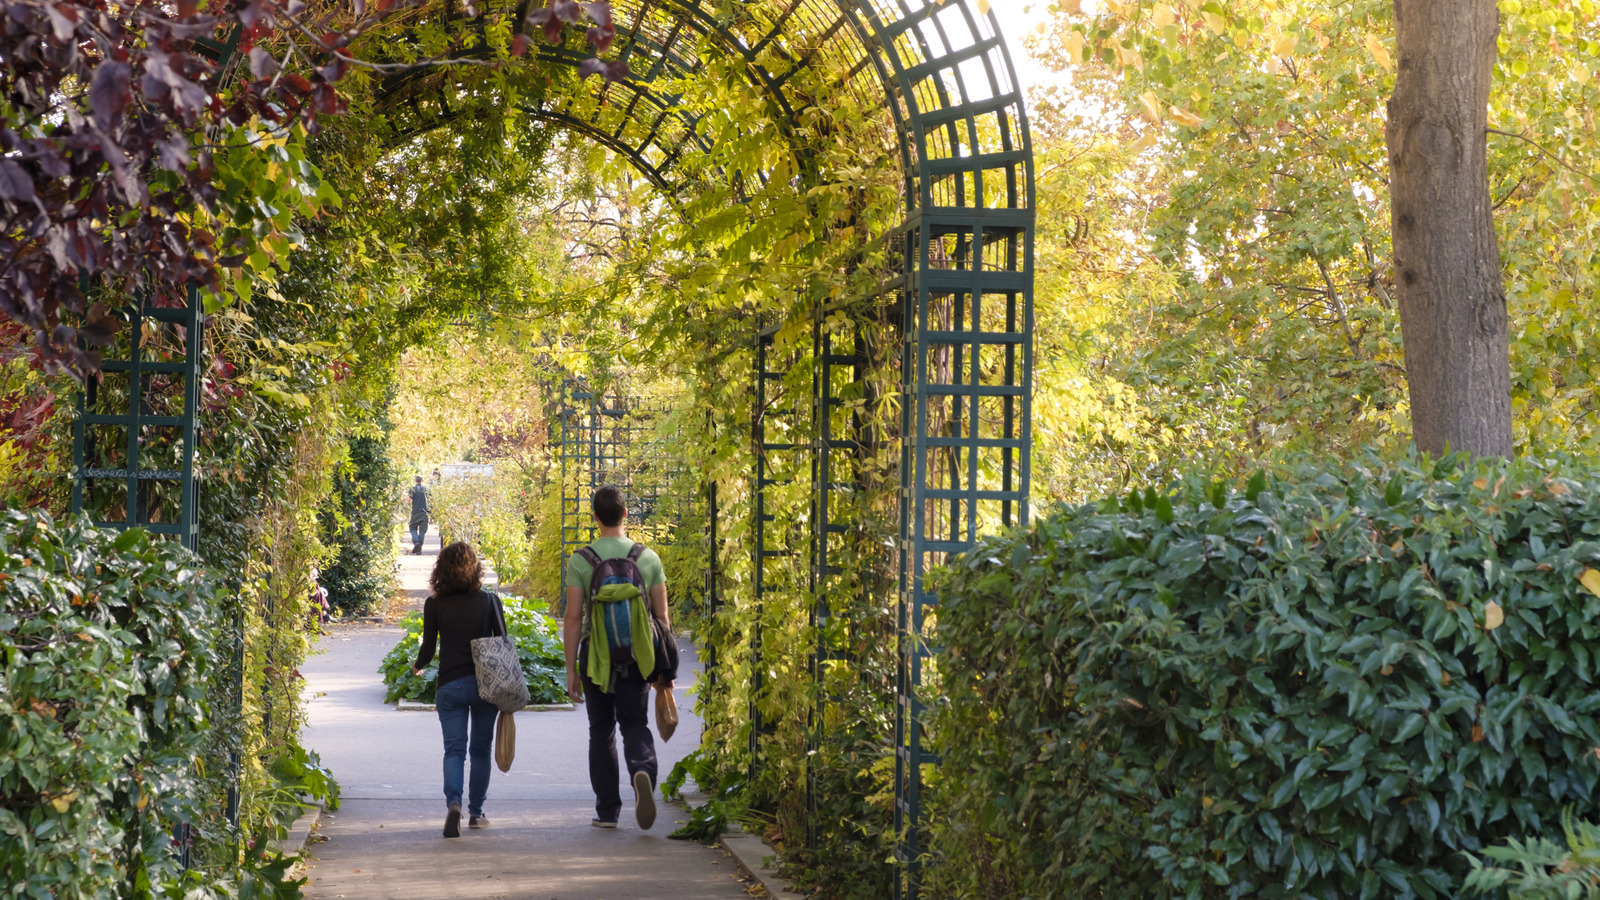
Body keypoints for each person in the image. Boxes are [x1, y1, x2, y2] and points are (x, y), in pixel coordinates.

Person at [563, 485, 675, 830]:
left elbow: (572, 617)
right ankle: (642, 770)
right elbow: (662, 617)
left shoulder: (582, 560)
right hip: (638, 657)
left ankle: (608, 811)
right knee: (635, 725)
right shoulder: (648, 558)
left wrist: (571, 670)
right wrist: (663, 668)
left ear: (595, 518)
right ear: (626, 514)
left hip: (597, 658)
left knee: (601, 731)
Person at [412, 541, 500, 837]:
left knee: (454, 750)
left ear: (442, 570)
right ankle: (476, 813)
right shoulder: (489, 601)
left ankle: (454, 804)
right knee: (480, 750)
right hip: (486, 685)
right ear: (475, 569)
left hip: (450, 684)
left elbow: (428, 646)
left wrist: (417, 666)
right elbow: (502, 641)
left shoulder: (434, 604)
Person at [408, 475, 430, 554]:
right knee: (422, 531)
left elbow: (408, 501)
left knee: (412, 528)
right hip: (424, 512)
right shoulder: (426, 489)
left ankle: (416, 542)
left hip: (415, 512)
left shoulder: (413, 490)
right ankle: (419, 549)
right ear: (422, 480)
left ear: (415, 481)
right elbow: (431, 500)